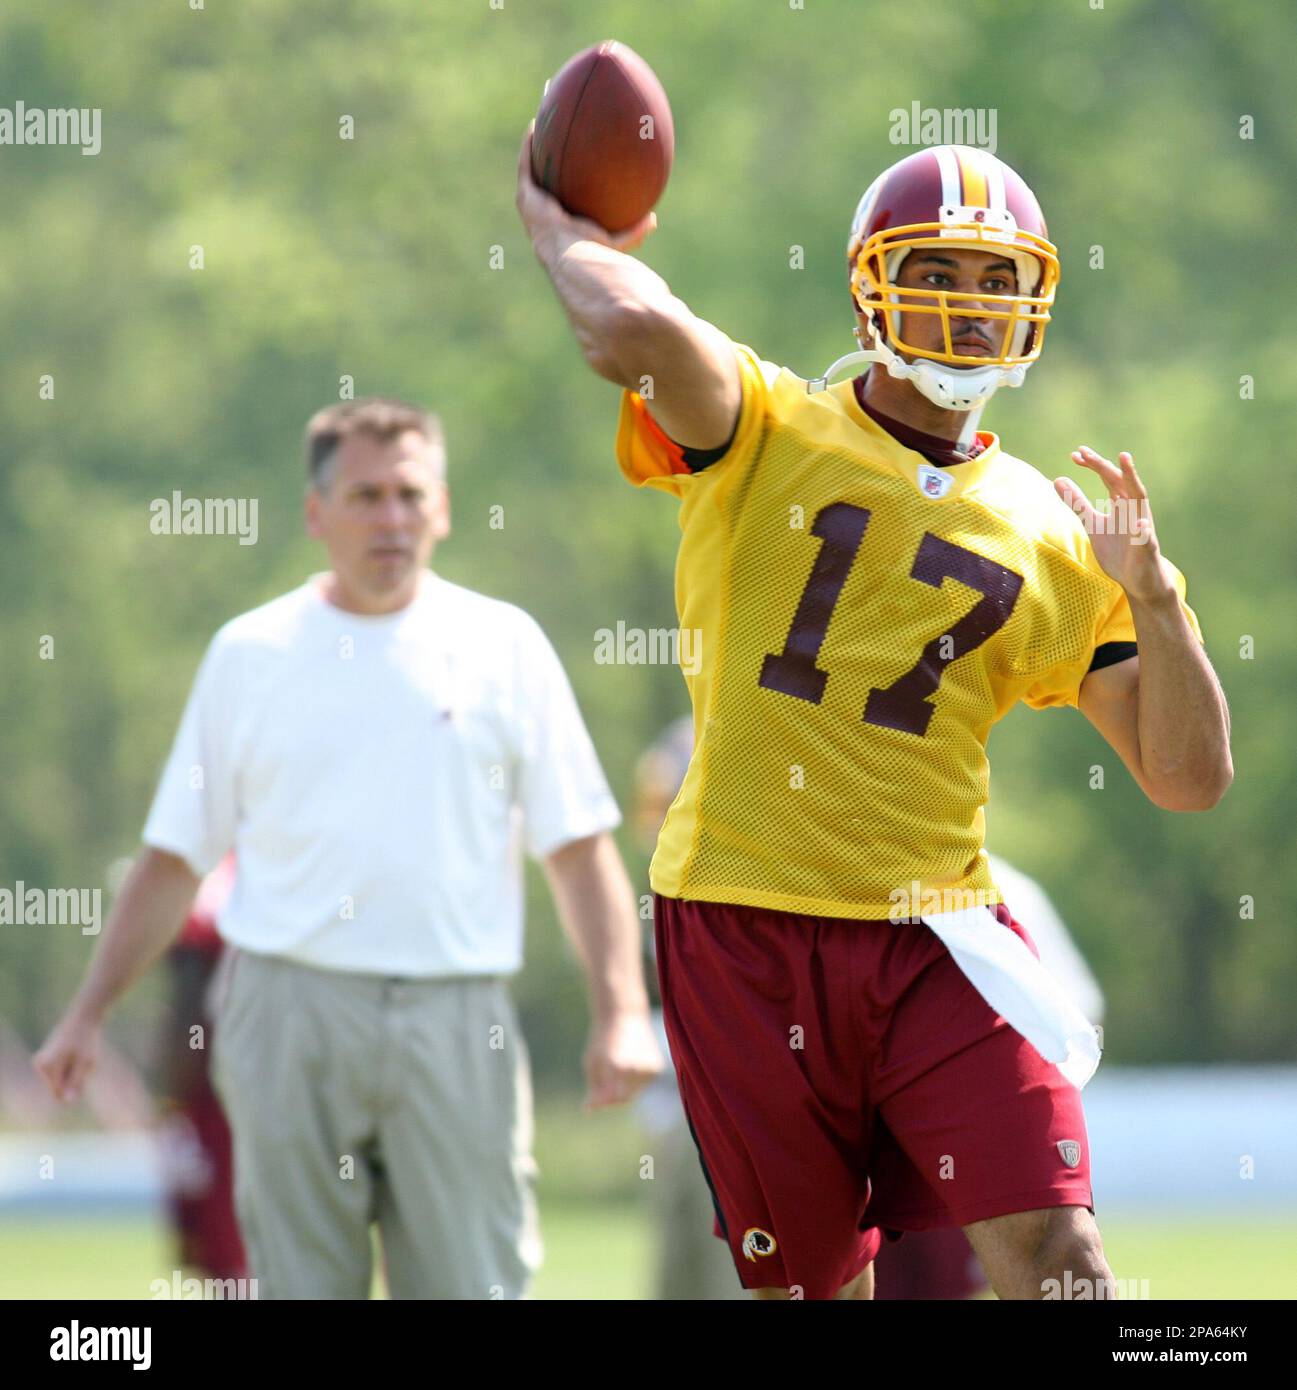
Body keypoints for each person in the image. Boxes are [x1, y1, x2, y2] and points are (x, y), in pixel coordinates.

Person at [517, 137, 1232, 1300]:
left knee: (1066, 1266)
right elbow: (631, 333)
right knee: (815, 1292)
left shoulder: (1052, 529)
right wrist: (563, 231)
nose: (968, 306)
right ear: (871, 285)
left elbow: (1187, 778)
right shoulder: (766, 427)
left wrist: (1158, 602)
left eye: (997, 279)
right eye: (939, 270)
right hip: (744, 924)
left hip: (938, 934)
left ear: (1035, 303)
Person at [35, 398, 663, 1299]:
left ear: (443, 508)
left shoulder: (504, 647)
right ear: (316, 515)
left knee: (475, 1285)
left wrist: (620, 1011)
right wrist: (88, 1012)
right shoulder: (249, 654)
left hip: (456, 1014)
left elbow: (576, 846)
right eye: (365, 495)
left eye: (411, 494)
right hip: (288, 1011)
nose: (392, 518)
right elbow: (175, 857)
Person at [631, 717, 1107, 1301]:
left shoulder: (982, 889)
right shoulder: (711, 907)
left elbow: (1063, 1015)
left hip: (932, 1157)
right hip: (782, 1133)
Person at [153, 852, 247, 1283]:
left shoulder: (215, 885)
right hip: (287, 1099)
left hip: (220, 1107)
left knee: (229, 1266)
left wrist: (174, 1104)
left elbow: (188, 1010)